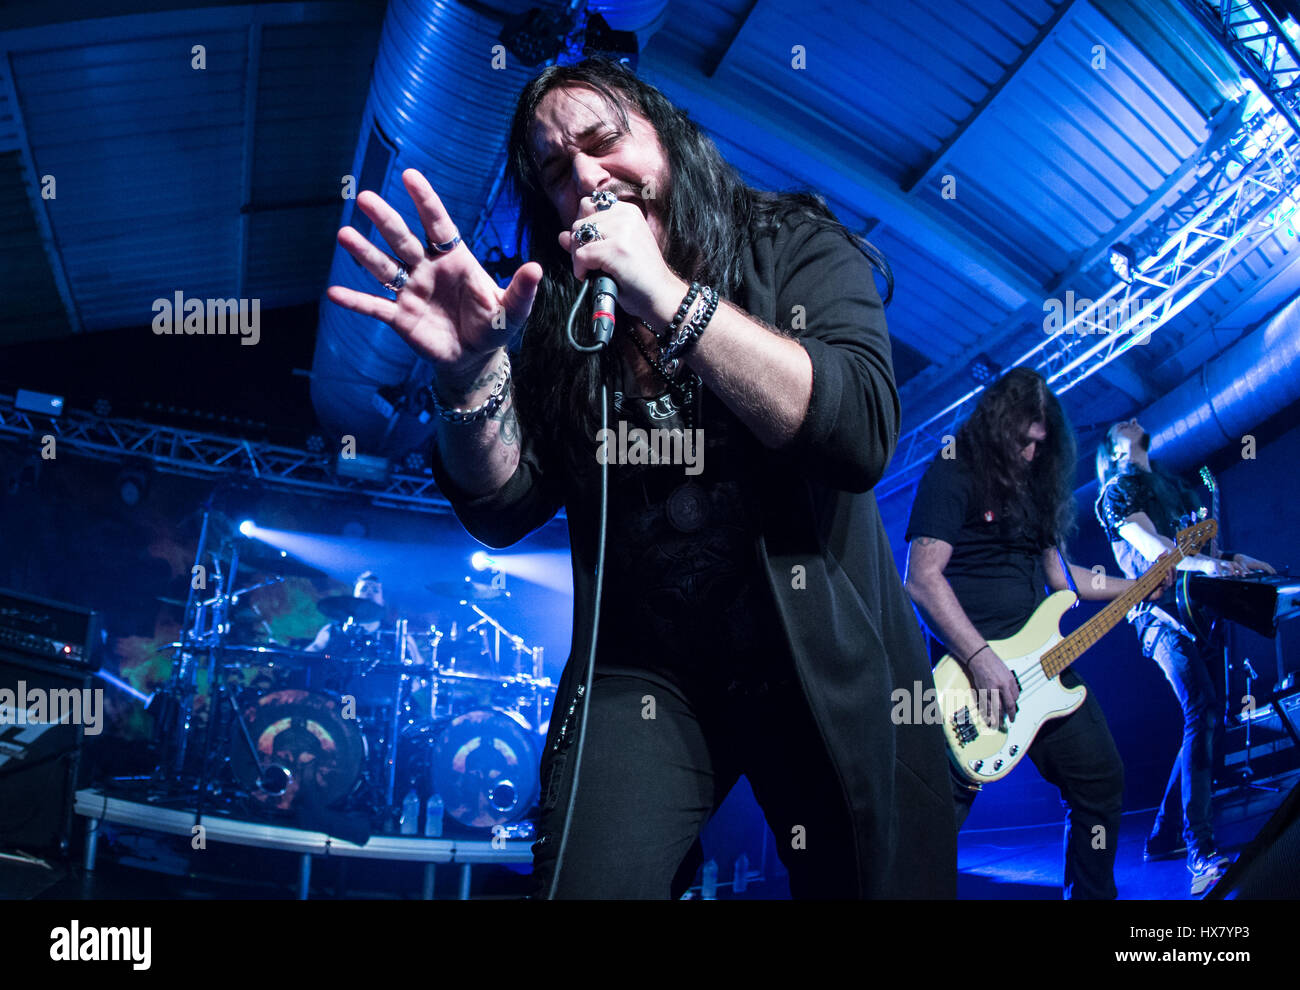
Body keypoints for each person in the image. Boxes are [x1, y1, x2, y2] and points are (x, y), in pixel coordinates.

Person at [326, 57, 956, 899]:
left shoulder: (791, 244)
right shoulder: (562, 316)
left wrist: (666, 295)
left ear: (670, 141)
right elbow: (506, 504)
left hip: (818, 660)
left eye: (602, 142)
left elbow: (858, 433)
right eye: (557, 169)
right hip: (650, 673)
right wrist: (471, 377)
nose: (586, 175)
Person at [904, 368, 1167, 899]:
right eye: (1023, 441)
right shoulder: (955, 468)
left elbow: (1062, 580)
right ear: (998, 426)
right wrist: (980, 658)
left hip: (1042, 666)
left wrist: (1135, 585)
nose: (1030, 454)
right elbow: (921, 578)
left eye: (1040, 445)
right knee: (929, 829)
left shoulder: (1037, 487)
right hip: (971, 672)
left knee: (1100, 780)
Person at [1096, 418, 1275, 895]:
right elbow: (1155, 550)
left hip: (1197, 612)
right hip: (1158, 618)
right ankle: (1201, 853)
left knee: (1204, 717)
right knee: (1204, 711)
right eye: (1121, 427)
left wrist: (1237, 559)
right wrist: (1204, 563)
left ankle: (1163, 837)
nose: (1133, 420)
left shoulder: (1171, 487)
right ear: (1114, 452)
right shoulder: (1116, 491)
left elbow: (1194, 546)